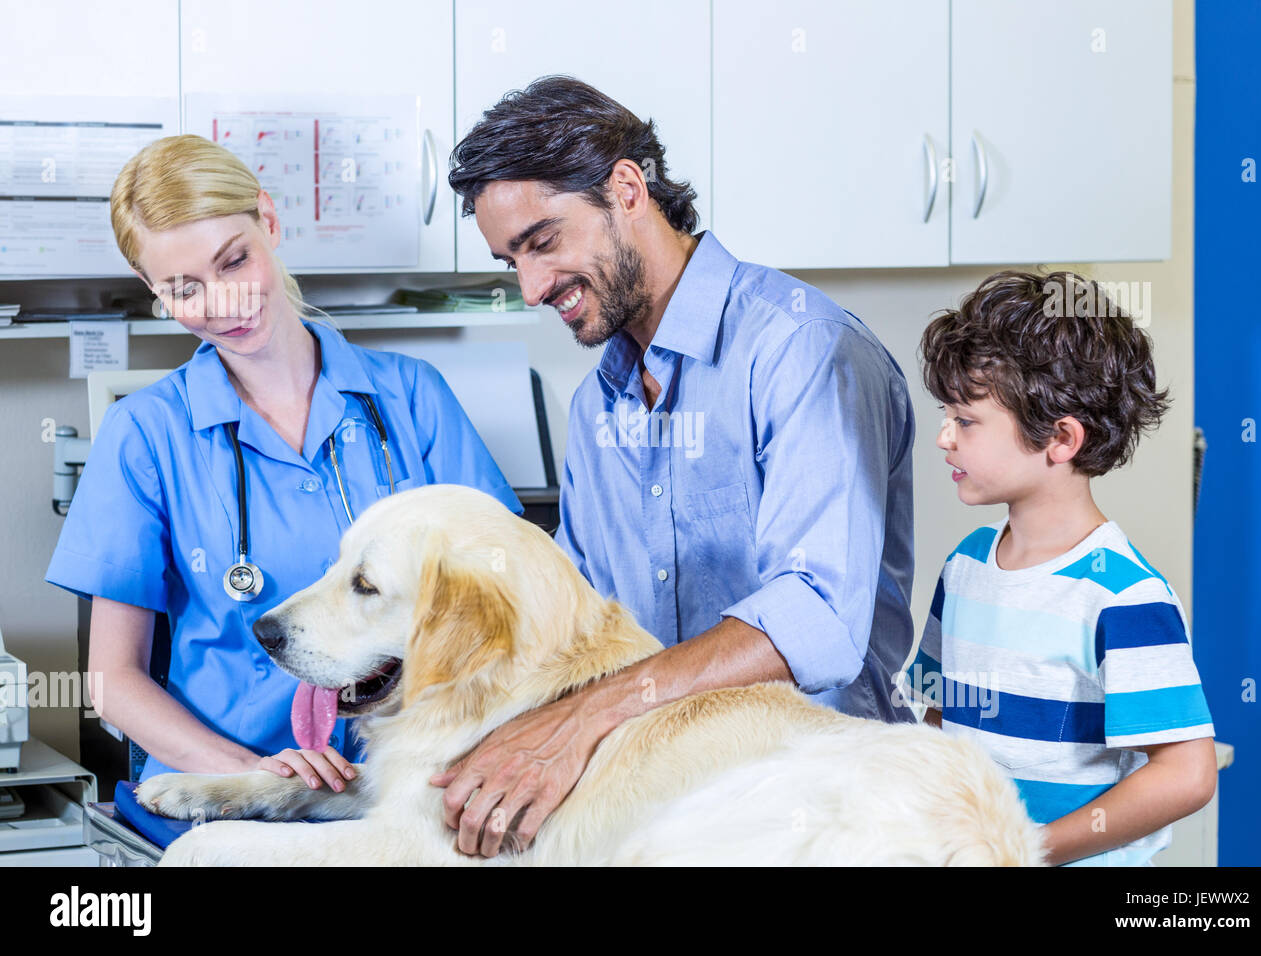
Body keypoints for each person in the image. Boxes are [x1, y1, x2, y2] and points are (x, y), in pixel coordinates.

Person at [432, 75, 916, 857]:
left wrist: (593, 716)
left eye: (543, 242)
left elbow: (818, 618)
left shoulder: (802, 349)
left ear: (627, 188)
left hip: (817, 805)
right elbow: (575, 616)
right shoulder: (597, 409)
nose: (528, 288)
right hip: (663, 808)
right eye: (508, 261)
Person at [45, 134, 522, 789]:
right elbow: (112, 680)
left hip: (414, 781)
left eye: (234, 261)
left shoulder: (412, 398)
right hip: (232, 791)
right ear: (150, 288)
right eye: (184, 288)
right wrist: (252, 773)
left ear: (268, 220)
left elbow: (506, 599)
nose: (223, 303)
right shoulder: (146, 434)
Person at [908, 270, 1218, 865]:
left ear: (1061, 438)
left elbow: (1187, 773)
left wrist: (1031, 849)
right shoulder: (965, 566)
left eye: (966, 420)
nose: (944, 437)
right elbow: (935, 714)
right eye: (946, 414)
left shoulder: (1123, 597)